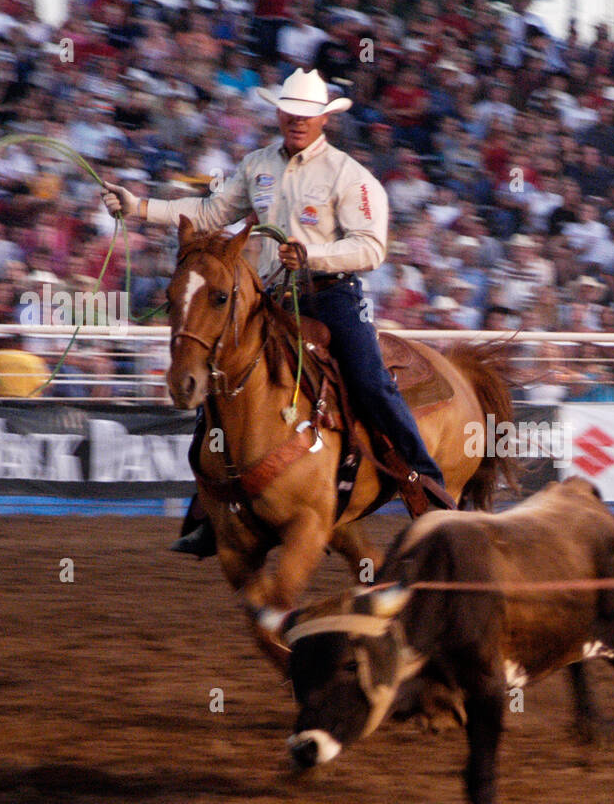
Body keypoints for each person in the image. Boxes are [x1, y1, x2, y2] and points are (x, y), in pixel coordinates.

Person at [102, 68, 453, 558]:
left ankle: (430, 491)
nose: (297, 121)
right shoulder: (257, 165)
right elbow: (207, 215)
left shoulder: (349, 175)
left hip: (331, 296)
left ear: (323, 120)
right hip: (270, 298)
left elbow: (371, 248)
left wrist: (313, 256)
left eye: (307, 115)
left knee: (370, 381)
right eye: (290, 113)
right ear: (279, 113)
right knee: (221, 380)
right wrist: (138, 206)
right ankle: (211, 510)